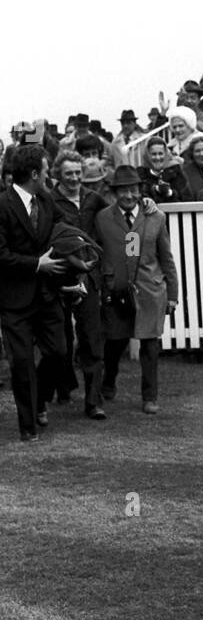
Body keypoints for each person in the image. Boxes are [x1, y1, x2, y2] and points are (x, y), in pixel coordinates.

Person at [96, 166, 179, 414]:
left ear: (140, 191)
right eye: (123, 191)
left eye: (133, 190)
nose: (129, 196)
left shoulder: (156, 217)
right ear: (115, 193)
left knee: (150, 345)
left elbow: (167, 258)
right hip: (117, 290)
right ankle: (109, 382)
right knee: (115, 342)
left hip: (150, 290)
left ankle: (149, 397)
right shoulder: (102, 218)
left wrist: (173, 294)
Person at [0, 145, 69, 440]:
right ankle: (28, 427)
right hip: (14, 300)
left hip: (46, 296)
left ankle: (38, 398)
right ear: (33, 173)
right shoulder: (2, 205)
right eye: (46, 169)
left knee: (59, 352)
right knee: (22, 363)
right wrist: (36, 264)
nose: (50, 173)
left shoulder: (46, 199)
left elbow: (64, 227)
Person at [47, 152, 110, 418]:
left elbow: (118, 222)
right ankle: (63, 386)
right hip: (59, 276)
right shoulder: (49, 201)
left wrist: (147, 206)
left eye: (77, 173)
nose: (74, 178)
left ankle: (93, 401)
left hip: (90, 277)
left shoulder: (93, 199)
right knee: (60, 340)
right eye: (68, 173)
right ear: (57, 174)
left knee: (91, 338)